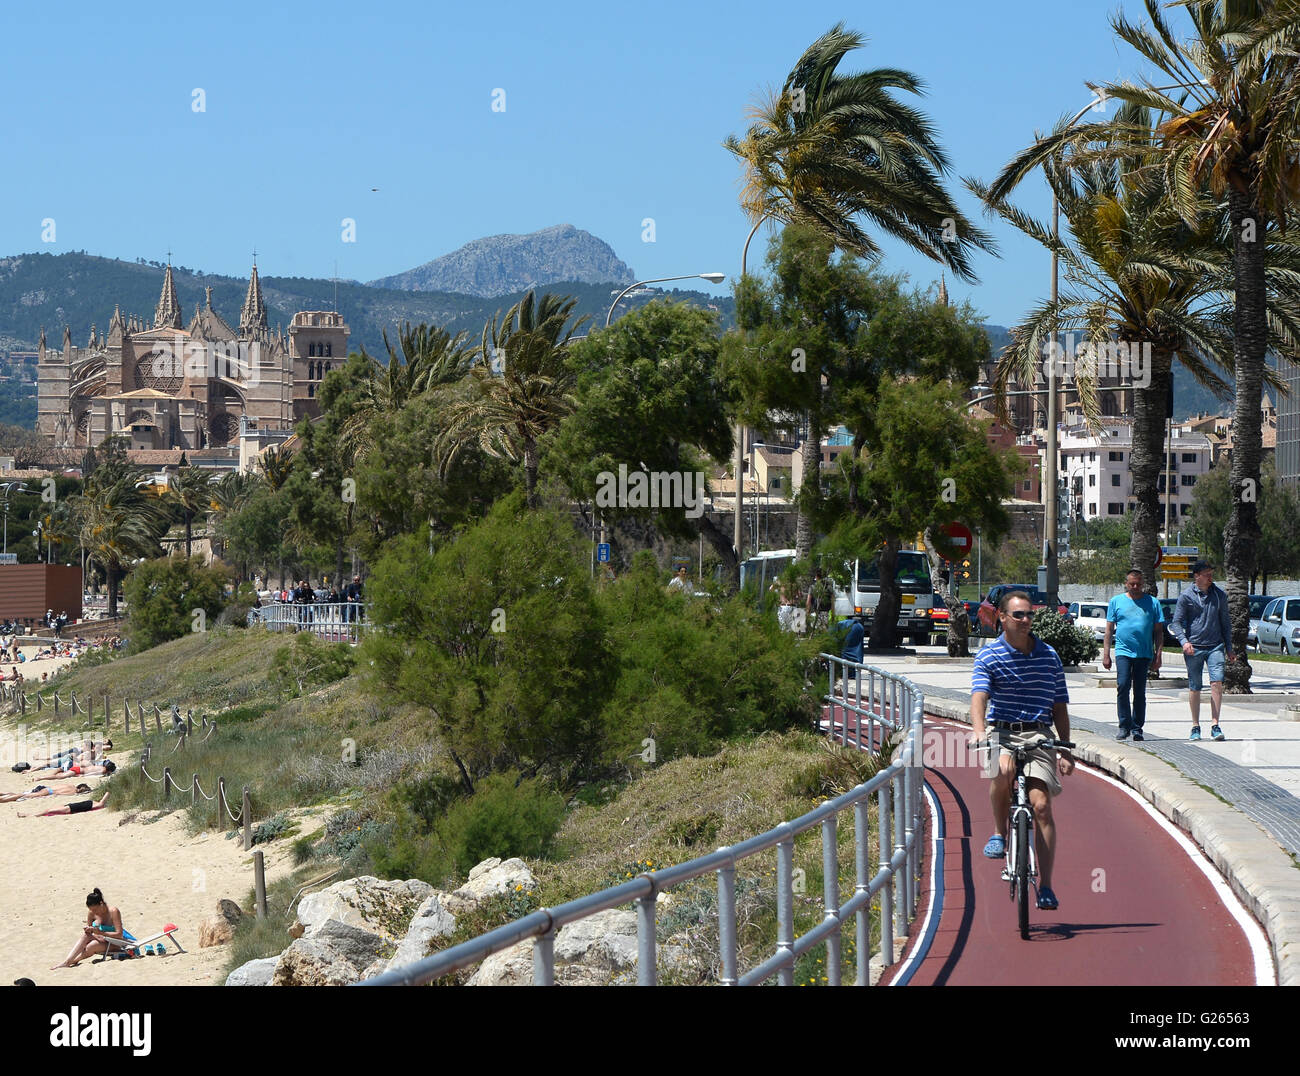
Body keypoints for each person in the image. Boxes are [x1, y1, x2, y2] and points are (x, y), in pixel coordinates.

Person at [970, 590, 1074, 911]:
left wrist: (1065, 750)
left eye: (1030, 614)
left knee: (1041, 806)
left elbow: (1059, 707)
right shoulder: (988, 656)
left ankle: (1046, 886)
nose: (1026, 620)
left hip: (1039, 733)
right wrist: (977, 731)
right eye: (1019, 615)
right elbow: (979, 697)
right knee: (1002, 770)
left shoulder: (1049, 656)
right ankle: (1000, 833)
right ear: (1001, 617)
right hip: (1002, 730)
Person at [1169, 560, 1235, 741]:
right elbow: (1176, 622)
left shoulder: (1219, 595)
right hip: (1194, 648)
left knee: (1217, 683)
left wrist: (1229, 648)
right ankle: (1195, 726)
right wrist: (1184, 641)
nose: (1210, 577)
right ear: (1197, 576)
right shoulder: (1186, 596)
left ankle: (1215, 724)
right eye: (1206, 574)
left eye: (1211, 573)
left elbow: (1226, 624)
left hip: (1215, 646)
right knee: (1195, 686)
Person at [1103, 569, 1165, 741]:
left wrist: (1158, 654)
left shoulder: (1152, 603)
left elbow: (1159, 632)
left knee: (1139, 691)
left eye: (1138, 584)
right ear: (1126, 584)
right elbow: (1109, 631)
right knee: (1122, 686)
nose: (1135, 587)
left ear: (1142, 583)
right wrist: (1106, 654)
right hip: (1123, 652)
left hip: (1144, 653)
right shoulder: (1116, 602)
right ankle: (1124, 726)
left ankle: (1137, 728)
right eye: (1132, 584)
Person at [50, 885, 133, 969]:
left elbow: (119, 934)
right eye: (91, 910)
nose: (94, 912)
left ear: (101, 904)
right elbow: (89, 933)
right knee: (86, 936)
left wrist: (100, 933)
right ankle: (67, 962)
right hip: (102, 940)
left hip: (117, 943)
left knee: (91, 946)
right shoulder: (91, 913)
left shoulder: (113, 911)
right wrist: (89, 930)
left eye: (95, 910)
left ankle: (73, 960)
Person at [20, 789, 111, 819]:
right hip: (70, 806)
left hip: (70, 808)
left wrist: (108, 792)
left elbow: (101, 804)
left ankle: (29, 815)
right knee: (49, 810)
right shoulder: (95, 803)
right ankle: (31, 814)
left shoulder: (98, 805)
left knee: (48, 811)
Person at [0, 782, 92, 802]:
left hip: (46, 787)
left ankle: (3, 794)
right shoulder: (73, 792)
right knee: (23, 795)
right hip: (49, 792)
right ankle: (2, 799)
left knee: (23, 794)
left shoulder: (70, 785)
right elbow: (58, 793)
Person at [806, 568, 834, 633]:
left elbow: (808, 602)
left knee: (815, 632)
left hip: (815, 612)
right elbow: (832, 602)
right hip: (825, 612)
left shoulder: (812, 587)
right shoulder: (829, 587)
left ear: (816, 576)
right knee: (824, 631)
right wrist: (833, 614)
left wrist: (807, 613)